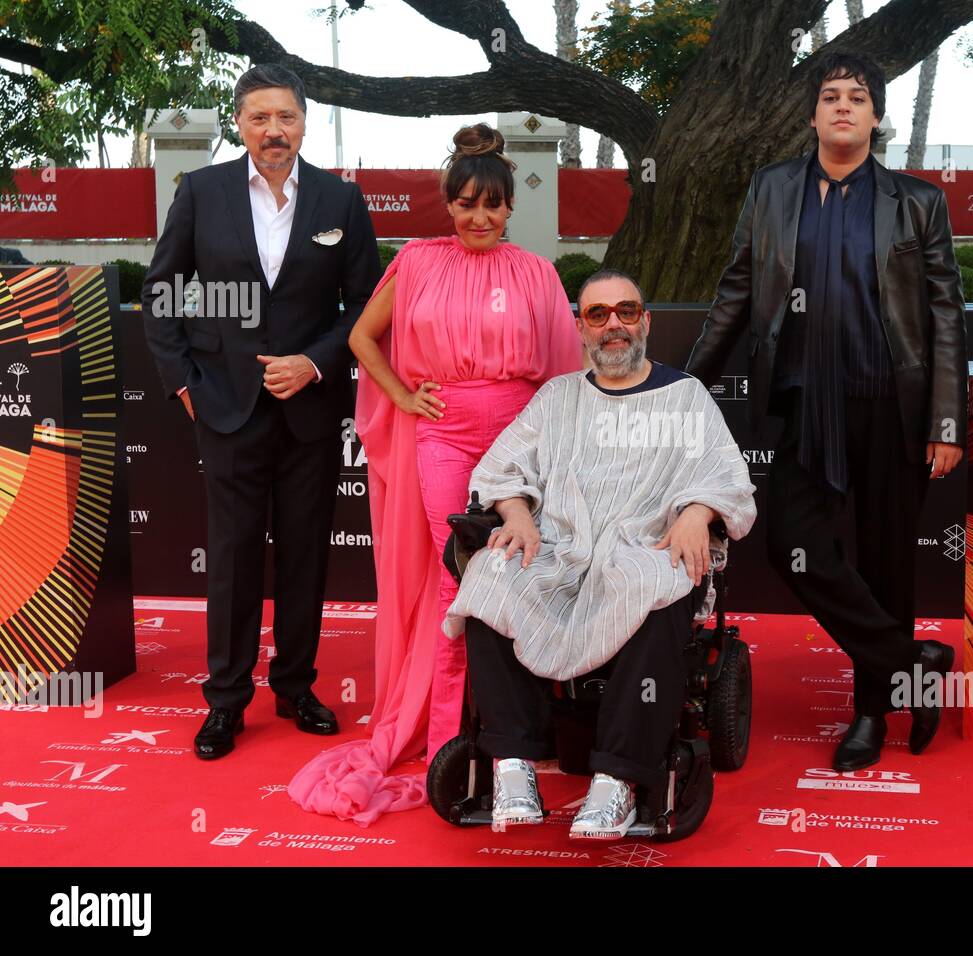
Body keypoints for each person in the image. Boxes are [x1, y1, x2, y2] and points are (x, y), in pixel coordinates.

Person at [288, 124, 582, 826]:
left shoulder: (537, 272)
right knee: (458, 581)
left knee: (518, 571)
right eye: (466, 204)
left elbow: (564, 374)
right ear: (447, 205)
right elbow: (361, 335)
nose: (479, 218)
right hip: (443, 439)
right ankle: (452, 733)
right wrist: (400, 393)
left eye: (493, 205)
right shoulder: (415, 261)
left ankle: (514, 732)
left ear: (511, 208)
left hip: (519, 442)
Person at [684, 53, 966, 772]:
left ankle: (872, 711)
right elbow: (738, 290)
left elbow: (942, 319)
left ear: (876, 117)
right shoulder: (773, 189)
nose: (843, 107)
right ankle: (917, 659)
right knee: (791, 547)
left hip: (890, 405)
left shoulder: (917, 201)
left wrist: (944, 421)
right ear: (813, 115)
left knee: (886, 565)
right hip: (804, 403)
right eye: (831, 97)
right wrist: (685, 384)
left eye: (858, 97)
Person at [443, 270, 756, 839]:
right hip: (561, 546)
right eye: (598, 314)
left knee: (656, 579)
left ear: (645, 322)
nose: (614, 324)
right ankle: (513, 766)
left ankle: (616, 780)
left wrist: (696, 512)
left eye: (627, 311)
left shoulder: (685, 396)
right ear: (581, 328)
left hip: (644, 547)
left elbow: (730, 479)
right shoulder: (558, 398)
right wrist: (514, 515)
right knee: (491, 571)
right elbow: (500, 469)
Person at [141, 64, 381, 760]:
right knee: (234, 559)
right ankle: (226, 701)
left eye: (286, 118)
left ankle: (297, 687)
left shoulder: (341, 201)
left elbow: (368, 303)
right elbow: (163, 294)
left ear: (305, 122)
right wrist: (185, 382)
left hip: (310, 407)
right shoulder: (202, 192)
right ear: (238, 124)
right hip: (225, 407)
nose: (274, 131)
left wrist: (315, 362)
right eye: (259, 118)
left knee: (305, 556)